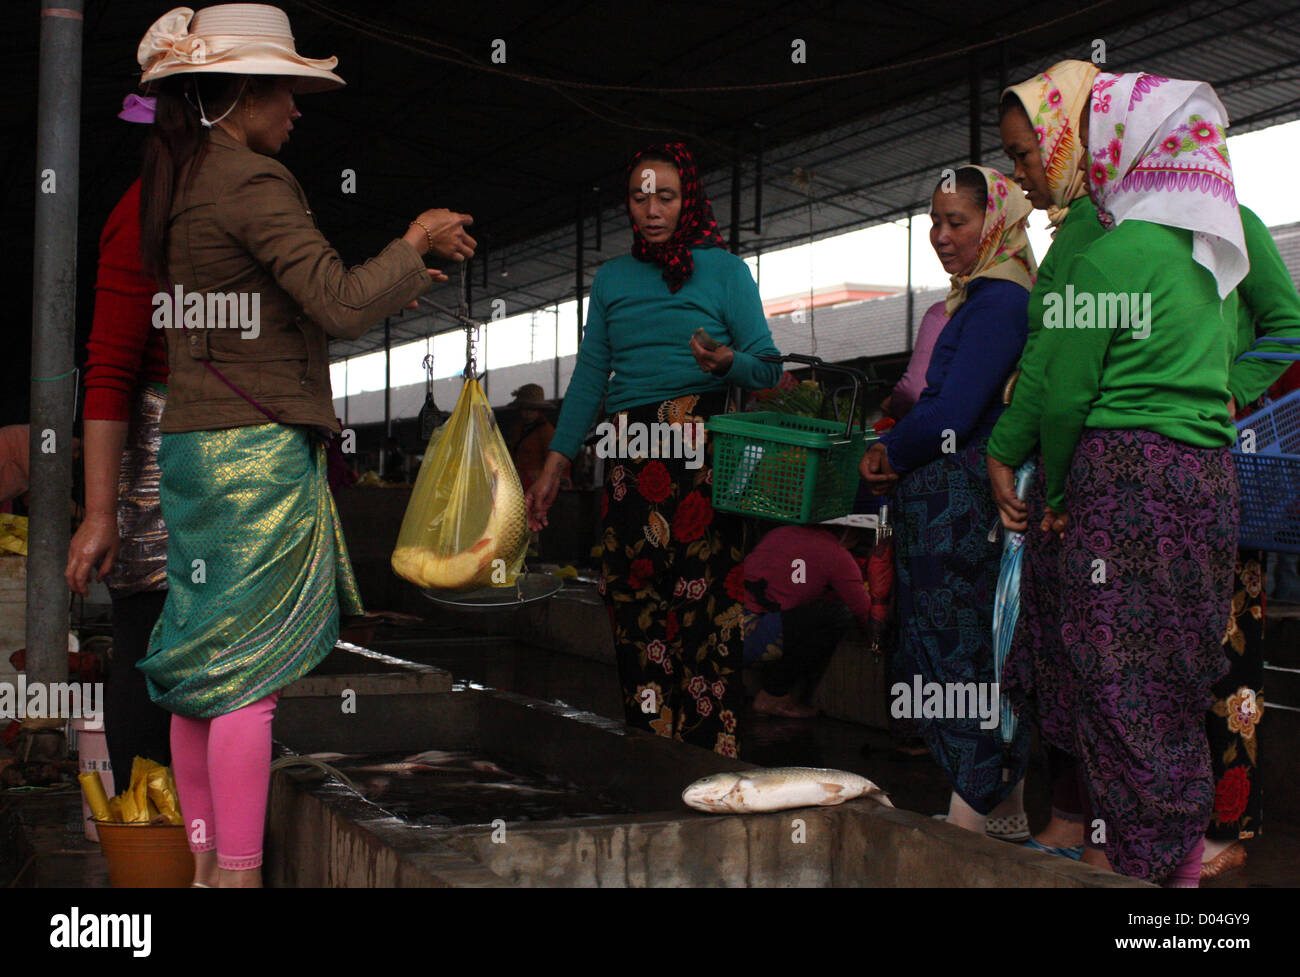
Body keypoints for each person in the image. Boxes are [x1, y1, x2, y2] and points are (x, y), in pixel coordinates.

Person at [132, 3, 476, 888]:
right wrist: (412, 243)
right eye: (286, 90)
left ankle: (205, 865)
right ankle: (240, 874)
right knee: (249, 679)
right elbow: (341, 303)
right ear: (244, 93)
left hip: (193, 449)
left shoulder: (181, 176)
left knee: (202, 669)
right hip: (251, 456)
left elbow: (281, 310)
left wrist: (390, 281)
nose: (297, 108)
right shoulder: (252, 180)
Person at [1004, 72, 1247, 886]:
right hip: (1205, 485)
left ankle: (1125, 866)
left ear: (1119, 147)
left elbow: (1065, 396)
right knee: (1174, 678)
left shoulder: (1107, 257)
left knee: (1112, 679)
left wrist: (1057, 496)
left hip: (1122, 488)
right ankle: (1174, 868)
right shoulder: (1209, 258)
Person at [525, 142, 782, 757]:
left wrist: (728, 361)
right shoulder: (612, 279)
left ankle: (708, 755)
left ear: (687, 199)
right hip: (628, 456)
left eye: (665, 196)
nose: (652, 210)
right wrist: (556, 464)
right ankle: (650, 748)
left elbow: (768, 368)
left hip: (702, 456)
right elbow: (591, 376)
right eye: (640, 198)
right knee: (634, 600)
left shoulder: (725, 271)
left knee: (705, 603)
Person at [860, 165, 1036, 838]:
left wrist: (890, 450)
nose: (940, 235)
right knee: (977, 652)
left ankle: (965, 824)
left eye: (956, 221)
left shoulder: (998, 301)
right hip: (957, 511)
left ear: (994, 223)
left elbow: (953, 413)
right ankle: (1006, 816)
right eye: (934, 221)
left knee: (961, 656)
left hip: (961, 516)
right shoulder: (983, 295)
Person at [985, 59, 1105, 860]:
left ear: (1068, 139)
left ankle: (1094, 833)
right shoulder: (1077, 230)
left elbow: (1057, 372)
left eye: (1025, 155)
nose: (1021, 178)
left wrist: (1004, 451)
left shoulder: (1099, 233)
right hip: (1071, 471)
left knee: (1082, 653)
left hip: (1084, 475)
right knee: (1064, 651)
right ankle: (1070, 819)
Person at [65, 94, 174, 785]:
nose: (293, 111)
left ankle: (203, 832)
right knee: (151, 641)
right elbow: (109, 368)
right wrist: (101, 512)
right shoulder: (145, 212)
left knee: (213, 662)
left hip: (233, 463)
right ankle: (151, 829)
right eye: (272, 91)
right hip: (161, 462)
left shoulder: (247, 207)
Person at [1202, 205, 1300, 878]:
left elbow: (1288, 324)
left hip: (1227, 465)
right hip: (1162, 470)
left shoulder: (1233, 222)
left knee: (1231, 652)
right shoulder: (1126, 229)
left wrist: (1229, 392)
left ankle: (1224, 826)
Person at [742, 517, 870, 718]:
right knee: (838, 615)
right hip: (757, 639)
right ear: (852, 533)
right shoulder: (837, 555)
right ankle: (774, 695)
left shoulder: (779, 533)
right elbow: (866, 614)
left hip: (732, 628)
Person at [881, 301, 948, 420]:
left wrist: (896, 403)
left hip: (944, 423)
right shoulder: (981, 313)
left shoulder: (943, 312)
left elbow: (914, 390)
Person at [507, 383, 555, 491]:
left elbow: (552, 460)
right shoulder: (517, 429)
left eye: (532, 409)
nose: (527, 413)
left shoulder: (546, 431)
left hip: (536, 485)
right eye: (524, 409)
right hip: (517, 483)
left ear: (539, 409)